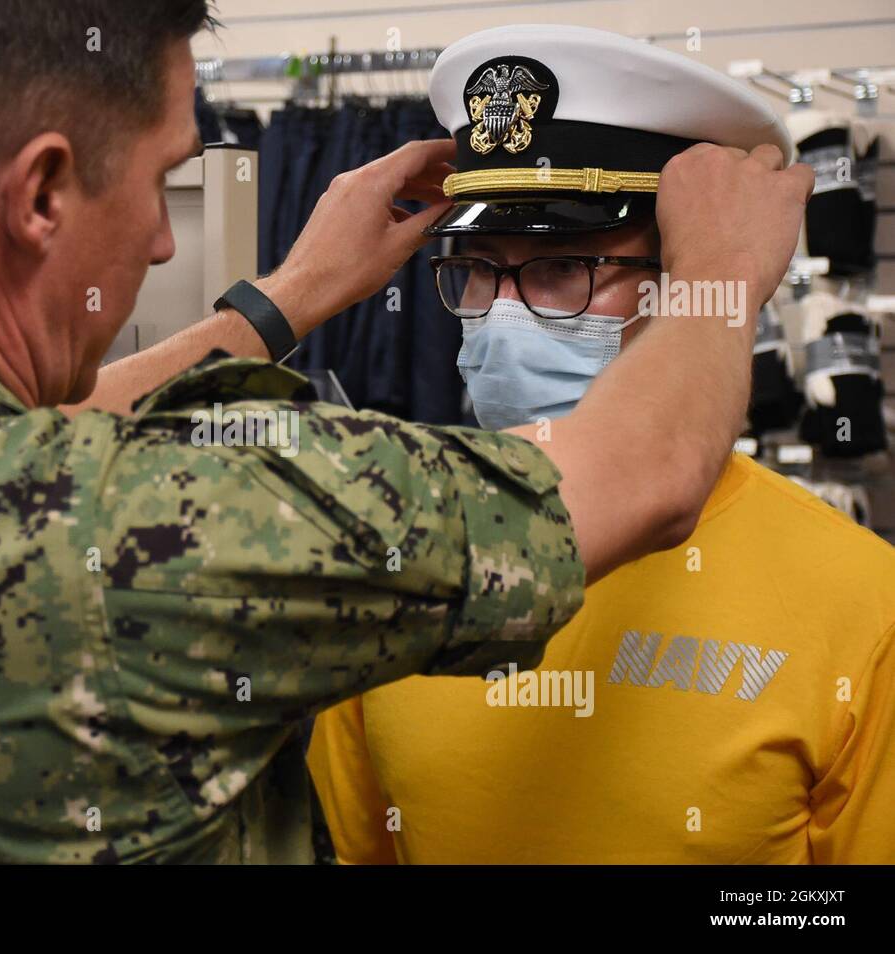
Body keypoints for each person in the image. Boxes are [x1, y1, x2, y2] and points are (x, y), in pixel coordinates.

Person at [0, 4, 811, 863]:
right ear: (42, 193)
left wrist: (282, 301)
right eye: (160, 177)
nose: (167, 241)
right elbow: (642, 476)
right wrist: (718, 275)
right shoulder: (158, 532)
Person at [307, 24, 895, 864]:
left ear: (688, 275)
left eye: (561, 269)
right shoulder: (397, 550)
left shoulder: (862, 602)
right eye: (476, 267)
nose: (500, 317)